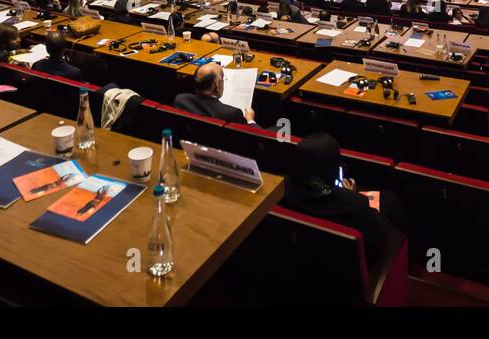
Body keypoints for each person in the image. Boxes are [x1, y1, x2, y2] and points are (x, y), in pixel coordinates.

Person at [278, 133, 405, 270]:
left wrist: (344, 194)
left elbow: (317, 189)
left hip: (302, 263)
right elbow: (384, 235)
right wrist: (350, 194)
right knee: (390, 201)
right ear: (333, 170)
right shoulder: (356, 204)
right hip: (349, 272)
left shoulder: (280, 190)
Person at [173, 62, 255, 124]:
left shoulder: (180, 100)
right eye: (223, 79)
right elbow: (253, 143)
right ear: (217, 86)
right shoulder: (232, 113)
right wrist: (250, 120)